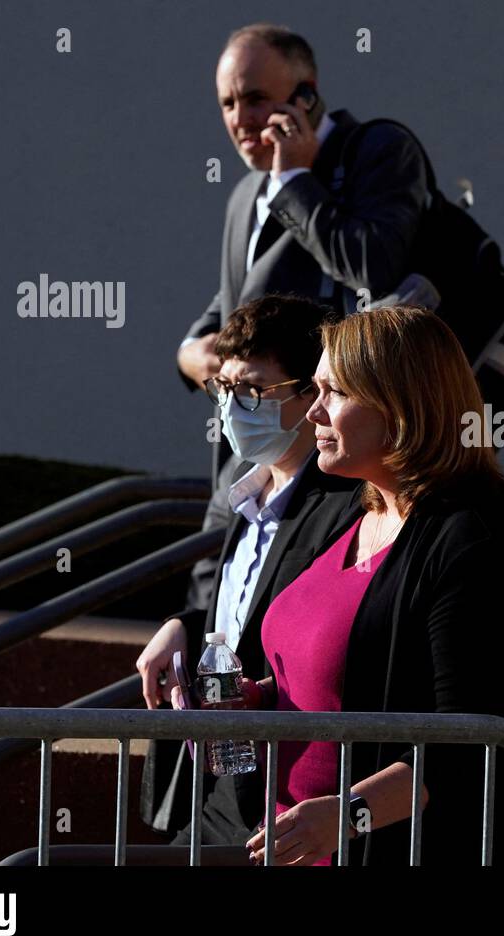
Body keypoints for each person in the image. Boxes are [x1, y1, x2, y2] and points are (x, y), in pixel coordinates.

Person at [237, 307, 504, 866]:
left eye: (333, 392)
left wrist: (348, 814)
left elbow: (477, 738)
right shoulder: (357, 516)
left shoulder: (472, 537)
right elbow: (337, 679)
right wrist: (256, 698)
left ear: (400, 404)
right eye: (314, 390)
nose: (312, 412)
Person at [177, 23, 431, 610]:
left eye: (257, 98)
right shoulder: (245, 194)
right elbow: (234, 305)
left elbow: (372, 265)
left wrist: (296, 179)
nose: (240, 118)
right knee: (210, 598)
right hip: (245, 457)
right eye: (227, 103)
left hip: (329, 445)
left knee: (290, 604)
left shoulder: (377, 152)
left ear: (306, 96)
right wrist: (191, 349)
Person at [136, 294, 363, 845]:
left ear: (313, 393)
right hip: (225, 783)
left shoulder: (350, 505)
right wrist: (186, 626)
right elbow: (247, 612)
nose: (233, 405)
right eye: (225, 387)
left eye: (254, 389)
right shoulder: (252, 490)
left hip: (292, 793)